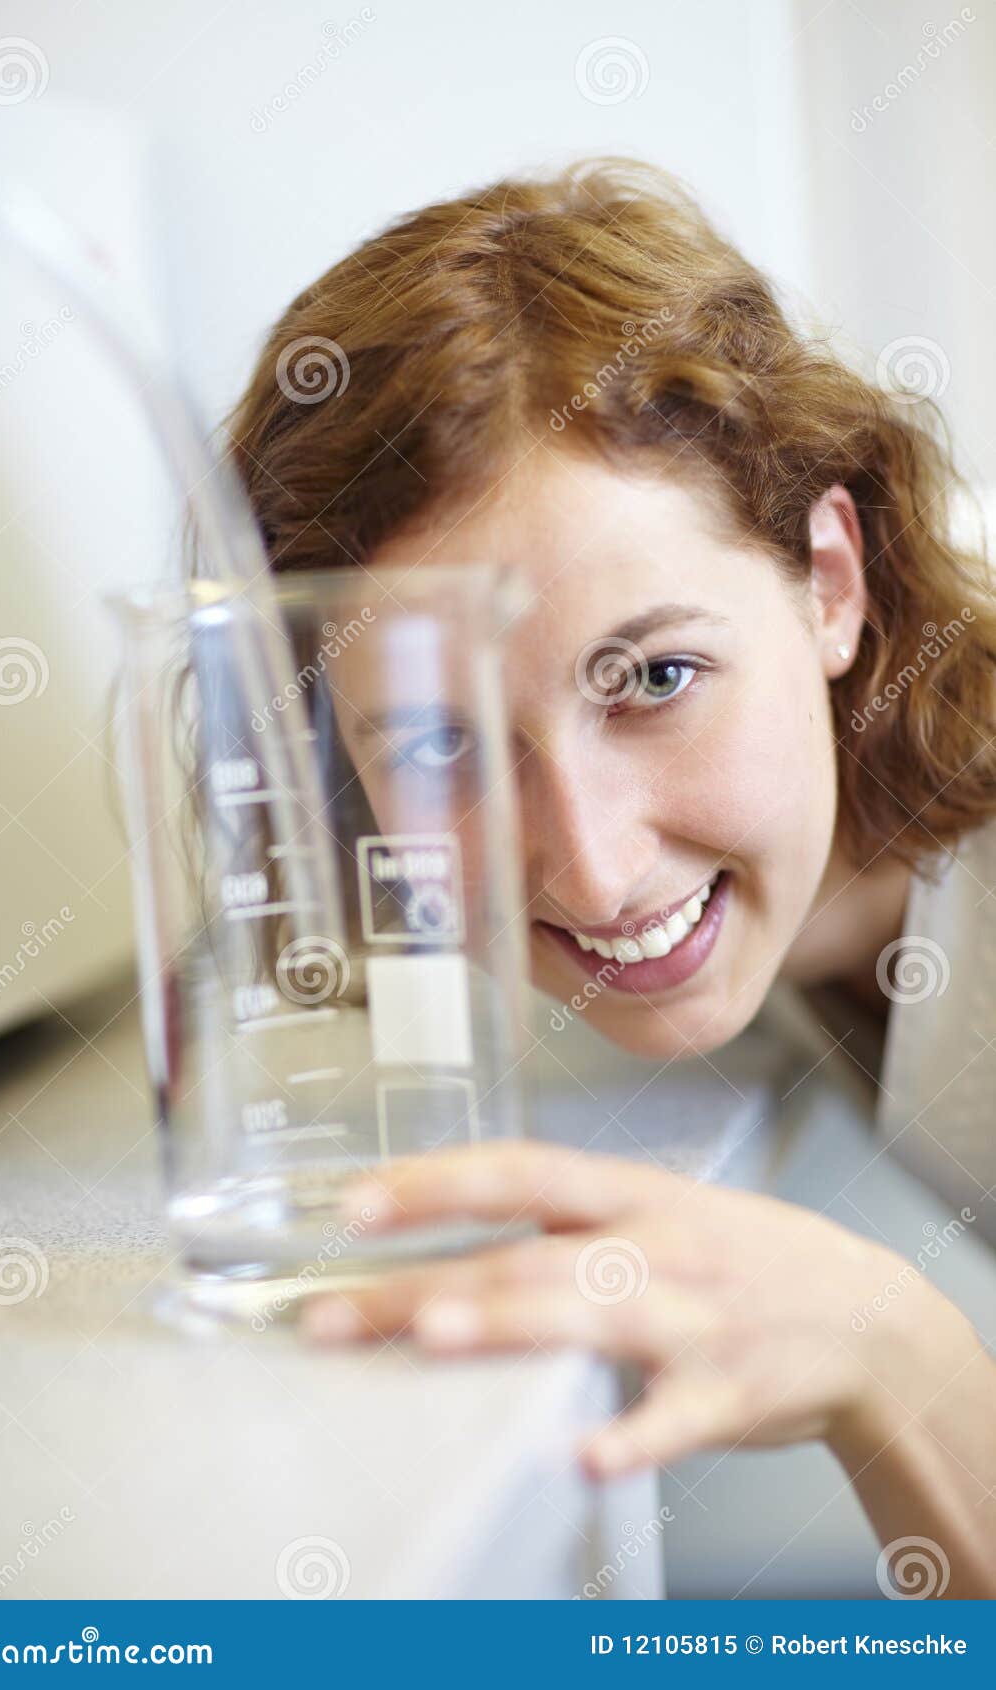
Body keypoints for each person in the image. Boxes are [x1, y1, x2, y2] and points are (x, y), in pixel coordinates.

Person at [224, 160, 996, 1597]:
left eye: (655, 677)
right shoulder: (828, 927)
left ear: (830, 582)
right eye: (443, 739)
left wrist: (897, 1358)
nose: (590, 859)